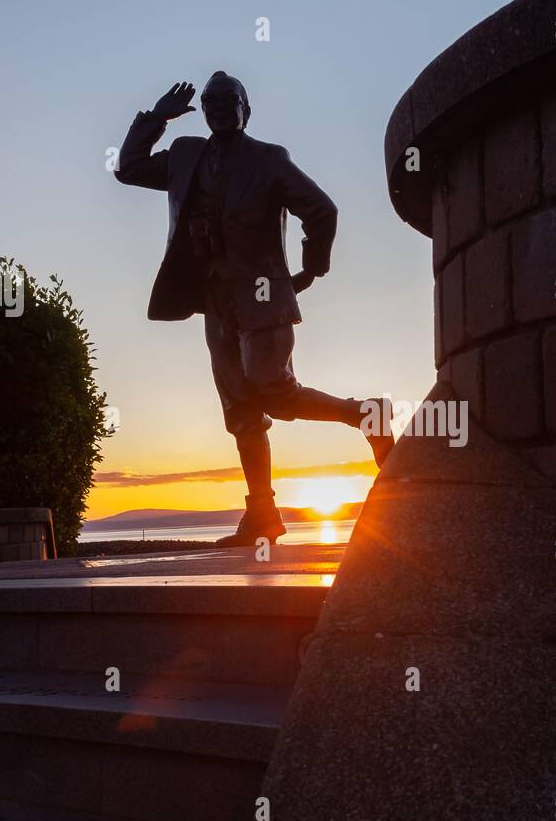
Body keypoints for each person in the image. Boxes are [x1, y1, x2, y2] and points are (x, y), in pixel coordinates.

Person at [114, 72, 393, 546]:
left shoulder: (269, 160)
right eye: (212, 102)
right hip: (214, 301)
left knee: (274, 392)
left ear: (247, 109)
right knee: (240, 410)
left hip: (263, 297)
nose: (221, 108)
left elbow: (322, 210)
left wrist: (311, 270)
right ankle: (262, 515)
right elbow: (128, 168)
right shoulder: (184, 155)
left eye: (230, 101)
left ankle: (367, 414)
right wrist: (157, 118)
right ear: (202, 110)